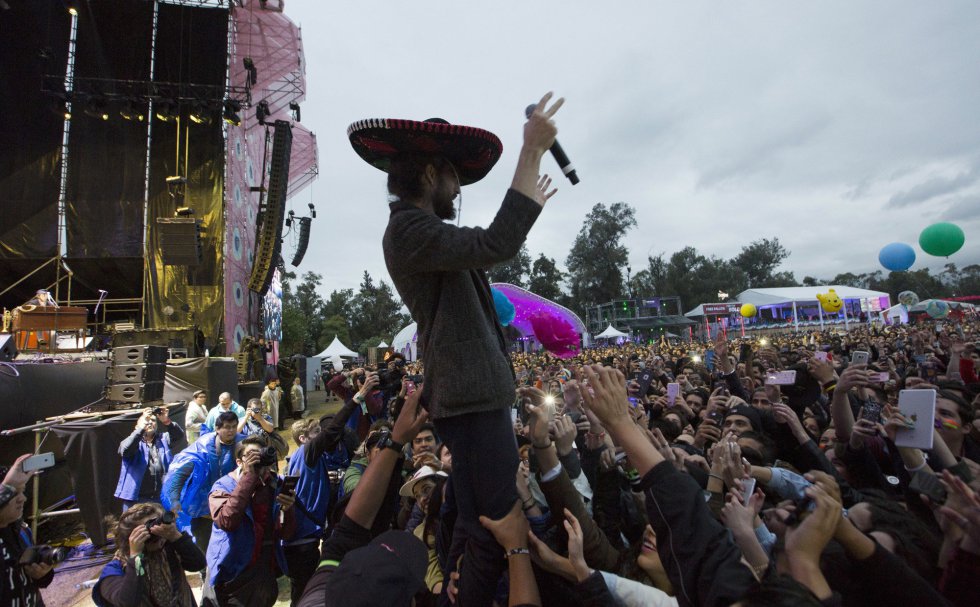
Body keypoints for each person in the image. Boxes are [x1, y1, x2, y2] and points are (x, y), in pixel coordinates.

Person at [349, 91, 563, 605]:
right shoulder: (409, 230)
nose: (457, 190)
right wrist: (530, 151)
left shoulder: (423, 233)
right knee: (499, 521)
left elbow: (486, 245)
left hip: (470, 396)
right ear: (429, 173)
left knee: (477, 521)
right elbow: (495, 243)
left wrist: (526, 191)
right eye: (453, 177)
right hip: (470, 397)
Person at [281, 375, 370, 603]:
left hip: (305, 538)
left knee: (303, 590)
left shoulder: (312, 460)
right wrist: (357, 399)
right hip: (301, 542)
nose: (322, 438)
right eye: (316, 434)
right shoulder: (307, 453)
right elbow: (331, 432)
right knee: (304, 594)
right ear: (304, 438)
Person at [206, 435, 296, 606]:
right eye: (253, 455)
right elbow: (227, 521)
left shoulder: (276, 484)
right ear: (240, 462)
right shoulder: (222, 486)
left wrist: (289, 510)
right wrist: (249, 476)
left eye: (261, 454)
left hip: (265, 569)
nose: (259, 459)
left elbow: (287, 533)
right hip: (233, 571)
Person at [91, 502, 206, 606]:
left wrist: (176, 537)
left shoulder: (168, 549)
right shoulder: (114, 570)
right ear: (130, 538)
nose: (158, 533)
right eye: (149, 530)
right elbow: (128, 602)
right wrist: (136, 557)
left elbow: (198, 564)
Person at [164, 411, 243, 555]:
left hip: (233, 507)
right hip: (204, 511)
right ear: (217, 428)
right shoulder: (203, 448)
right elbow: (180, 475)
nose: (231, 430)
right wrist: (175, 500)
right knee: (205, 551)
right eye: (227, 427)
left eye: (233, 426)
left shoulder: (243, 444)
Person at [0, 454, 53, 606]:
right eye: (14, 494)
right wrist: (8, 486)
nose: (22, 498)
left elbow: (36, 582)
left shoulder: (22, 531)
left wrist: (43, 574)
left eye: (22, 491)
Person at [113, 407, 184, 511]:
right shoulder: (134, 441)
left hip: (159, 497)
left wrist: (166, 421)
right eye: (146, 420)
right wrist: (141, 429)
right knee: (133, 526)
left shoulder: (163, 439)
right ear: (137, 426)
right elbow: (125, 450)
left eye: (153, 420)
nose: (150, 423)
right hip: (136, 499)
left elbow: (179, 435)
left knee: (160, 526)